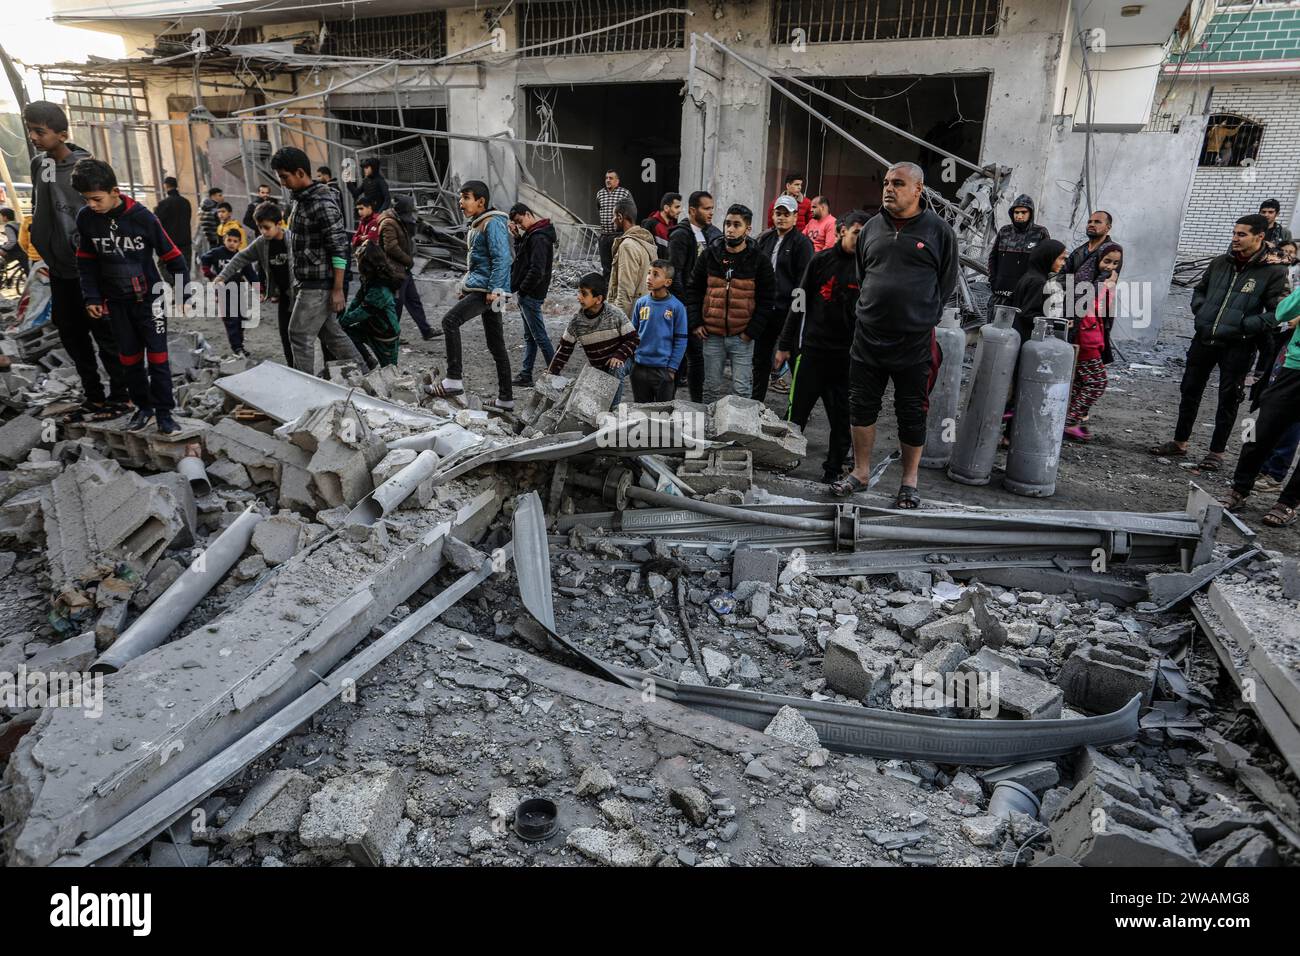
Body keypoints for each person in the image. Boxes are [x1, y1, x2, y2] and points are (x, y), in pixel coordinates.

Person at [831, 162, 957, 508]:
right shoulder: (871, 228)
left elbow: (945, 283)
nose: (889, 188)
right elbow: (863, 274)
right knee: (861, 406)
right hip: (868, 337)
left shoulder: (938, 231)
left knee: (912, 411)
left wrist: (921, 316)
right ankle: (860, 472)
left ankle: (909, 480)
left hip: (913, 341)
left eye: (898, 183)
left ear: (918, 189)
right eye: (886, 182)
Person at [1150, 215, 1289, 471]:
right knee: (1190, 390)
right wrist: (1201, 311)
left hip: (1239, 345)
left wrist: (1246, 326)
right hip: (1204, 338)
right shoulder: (1219, 263)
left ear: (1259, 237)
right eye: (1234, 233)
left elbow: (1279, 312)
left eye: (1242, 234)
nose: (1235, 238)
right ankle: (1180, 442)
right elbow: (1200, 290)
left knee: (1228, 398)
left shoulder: (1273, 271)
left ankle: (1216, 453)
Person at [23, 100, 130, 419]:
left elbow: (108, 213)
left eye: (40, 131)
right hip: (58, 268)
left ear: (62, 134)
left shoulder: (85, 167)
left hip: (90, 269)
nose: (34, 137)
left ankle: (121, 397)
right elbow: (42, 208)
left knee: (105, 334)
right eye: (30, 130)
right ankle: (94, 395)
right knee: (70, 332)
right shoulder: (39, 165)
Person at [71, 157, 188, 434]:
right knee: (129, 360)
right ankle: (143, 407)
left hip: (150, 302)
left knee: (158, 359)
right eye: (86, 199)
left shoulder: (143, 218)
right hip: (117, 304)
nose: (92, 205)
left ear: (115, 192)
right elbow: (86, 262)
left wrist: (183, 293)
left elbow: (173, 257)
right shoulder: (87, 219)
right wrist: (92, 298)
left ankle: (164, 413)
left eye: (97, 199)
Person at [775, 209, 868, 484]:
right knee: (795, 414)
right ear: (843, 231)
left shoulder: (869, 267)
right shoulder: (820, 261)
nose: (861, 241)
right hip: (813, 352)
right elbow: (798, 302)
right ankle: (783, 460)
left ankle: (833, 469)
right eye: (856, 234)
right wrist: (784, 344)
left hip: (847, 358)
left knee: (842, 419)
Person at [270, 146, 366, 373]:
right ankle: (367, 374)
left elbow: (339, 248)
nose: (282, 183)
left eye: (285, 177)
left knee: (299, 335)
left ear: (300, 172)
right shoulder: (299, 201)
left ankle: (304, 389)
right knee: (332, 335)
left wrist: (338, 289)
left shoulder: (322, 203)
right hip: (307, 281)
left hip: (319, 285)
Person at [426, 180, 514, 408]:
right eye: (460, 197)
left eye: (466, 197)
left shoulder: (492, 223)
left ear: (481, 201)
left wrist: (496, 290)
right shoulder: (479, 224)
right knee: (496, 344)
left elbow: (502, 258)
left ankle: (453, 379)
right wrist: (466, 286)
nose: (461, 202)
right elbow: (479, 263)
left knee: (450, 321)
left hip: (490, 292)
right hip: (486, 290)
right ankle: (506, 399)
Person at [1220, 285, 1300, 527]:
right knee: (1260, 432)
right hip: (1295, 368)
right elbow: (1283, 312)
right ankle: (1239, 489)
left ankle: (1288, 503)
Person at [684, 203, 777, 403]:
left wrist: (751, 332)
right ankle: (706, 432)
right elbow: (694, 289)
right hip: (712, 334)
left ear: (748, 229)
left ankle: (738, 431)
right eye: (727, 223)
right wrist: (696, 322)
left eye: (737, 225)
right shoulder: (710, 255)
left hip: (742, 336)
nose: (730, 229)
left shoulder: (759, 260)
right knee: (710, 389)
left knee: (742, 391)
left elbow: (767, 299)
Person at [215, 202, 296, 364]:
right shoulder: (262, 243)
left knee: (305, 335)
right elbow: (241, 257)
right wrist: (222, 277)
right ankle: (293, 368)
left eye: (267, 227)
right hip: (285, 297)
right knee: (286, 335)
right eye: (260, 227)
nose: (263, 231)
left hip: (301, 295)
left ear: (279, 224)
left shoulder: (293, 240)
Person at [754, 194, 814, 400]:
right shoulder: (765, 239)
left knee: (794, 356)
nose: (781, 218)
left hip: (788, 311)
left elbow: (803, 283)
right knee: (760, 359)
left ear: (796, 216)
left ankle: (796, 406)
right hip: (765, 310)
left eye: (786, 214)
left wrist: (796, 313)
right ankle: (756, 403)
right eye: (778, 213)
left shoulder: (802, 244)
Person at [548, 271, 639, 406]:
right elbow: (564, 349)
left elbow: (633, 339)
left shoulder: (615, 314)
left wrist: (619, 355)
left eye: (584, 294)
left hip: (623, 360)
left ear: (599, 299)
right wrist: (552, 372)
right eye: (579, 292)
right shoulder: (576, 322)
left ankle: (613, 410)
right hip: (599, 364)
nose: (579, 297)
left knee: (616, 369)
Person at [1065, 244, 1123, 441]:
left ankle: (1068, 420)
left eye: (1116, 263)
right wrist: (1105, 286)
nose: (1110, 267)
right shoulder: (1086, 280)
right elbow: (1086, 305)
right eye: (1107, 261)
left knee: (1080, 383)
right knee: (1097, 382)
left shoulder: (1104, 281)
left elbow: (1105, 310)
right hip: (1084, 339)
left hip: (1092, 338)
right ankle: (1069, 421)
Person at [667, 190, 720, 401]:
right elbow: (676, 274)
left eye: (712, 209)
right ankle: (667, 403)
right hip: (684, 307)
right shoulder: (680, 235)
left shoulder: (710, 233)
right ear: (692, 210)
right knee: (681, 357)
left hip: (702, 307)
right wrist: (688, 306)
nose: (711, 213)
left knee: (696, 358)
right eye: (706, 209)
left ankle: (696, 403)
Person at [508, 202, 557, 385]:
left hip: (531, 294)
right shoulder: (534, 234)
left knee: (539, 337)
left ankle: (556, 376)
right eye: (517, 224)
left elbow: (537, 270)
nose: (520, 226)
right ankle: (526, 374)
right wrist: (517, 238)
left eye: (520, 221)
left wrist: (523, 289)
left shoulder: (539, 237)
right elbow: (524, 259)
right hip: (529, 294)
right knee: (531, 337)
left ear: (528, 214)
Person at [629, 260, 687, 402]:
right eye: (649, 273)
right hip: (640, 368)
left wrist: (672, 368)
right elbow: (632, 334)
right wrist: (631, 361)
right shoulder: (641, 303)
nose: (649, 277)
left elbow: (681, 339)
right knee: (642, 412)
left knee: (662, 415)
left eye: (656, 274)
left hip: (663, 369)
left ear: (667, 282)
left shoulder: (676, 307)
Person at [986, 194, 1050, 320]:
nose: (1019, 216)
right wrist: (994, 281)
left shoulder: (1040, 233)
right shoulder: (1005, 231)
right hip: (1000, 294)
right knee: (992, 331)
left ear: (1030, 213)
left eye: (1023, 212)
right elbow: (993, 258)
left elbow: (1044, 264)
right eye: (1016, 212)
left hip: (1024, 297)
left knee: (1017, 334)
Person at [341, 238, 403, 369]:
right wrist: (342, 321)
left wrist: (340, 322)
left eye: (358, 260)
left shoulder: (379, 289)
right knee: (345, 332)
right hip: (370, 328)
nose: (356, 263)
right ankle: (369, 360)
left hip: (385, 336)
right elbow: (357, 301)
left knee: (390, 371)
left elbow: (361, 312)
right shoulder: (369, 280)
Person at [200, 228, 257, 356]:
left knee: (241, 319)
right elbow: (204, 259)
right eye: (229, 240)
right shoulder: (217, 253)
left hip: (238, 292)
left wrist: (260, 289)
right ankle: (237, 348)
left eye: (235, 241)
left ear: (240, 243)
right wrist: (210, 274)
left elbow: (250, 274)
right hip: (222, 291)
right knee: (231, 319)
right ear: (224, 240)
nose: (232, 243)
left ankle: (240, 345)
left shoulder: (242, 257)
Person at [388, 195, 437, 341]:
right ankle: (392, 336)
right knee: (397, 303)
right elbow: (390, 247)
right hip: (396, 269)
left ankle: (426, 330)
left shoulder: (402, 219)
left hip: (405, 268)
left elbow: (413, 227)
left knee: (414, 300)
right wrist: (407, 260)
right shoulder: (389, 222)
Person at [607, 198, 656, 315]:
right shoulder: (646, 241)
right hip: (644, 310)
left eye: (614, 216)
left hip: (631, 315)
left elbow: (625, 290)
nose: (612, 220)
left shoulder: (627, 246)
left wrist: (617, 321)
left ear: (620, 217)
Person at [1064, 210, 1115, 286]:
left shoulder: (1113, 251)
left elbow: (1104, 282)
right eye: (1089, 222)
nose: (1091, 224)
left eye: (1097, 222)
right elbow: (1064, 275)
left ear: (1108, 227)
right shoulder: (1078, 251)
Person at [596, 170, 632, 278]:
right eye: (606, 178)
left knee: (620, 266)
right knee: (606, 267)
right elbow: (599, 209)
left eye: (611, 178)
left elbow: (631, 213)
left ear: (617, 181)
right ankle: (607, 292)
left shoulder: (624, 193)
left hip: (619, 235)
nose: (608, 180)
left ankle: (618, 292)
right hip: (604, 236)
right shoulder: (600, 194)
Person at [154, 176, 193, 269]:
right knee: (185, 267)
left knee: (163, 265)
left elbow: (156, 221)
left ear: (166, 186)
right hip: (186, 240)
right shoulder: (186, 202)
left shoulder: (164, 204)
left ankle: (174, 282)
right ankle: (181, 282)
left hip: (170, 242)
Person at [641, 192, 681, 257]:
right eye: (677, 207)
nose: (680, 210)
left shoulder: (674, 227)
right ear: (666, 208)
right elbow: (645, 252)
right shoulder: (649, 224)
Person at [1, 207, 27, 274]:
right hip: (23, 250)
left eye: (2, 216)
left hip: (16, 251)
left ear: (5, 217)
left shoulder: (8, 226)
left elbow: (12, 241)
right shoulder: (18, 224)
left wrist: (4, 248)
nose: (1, 218)